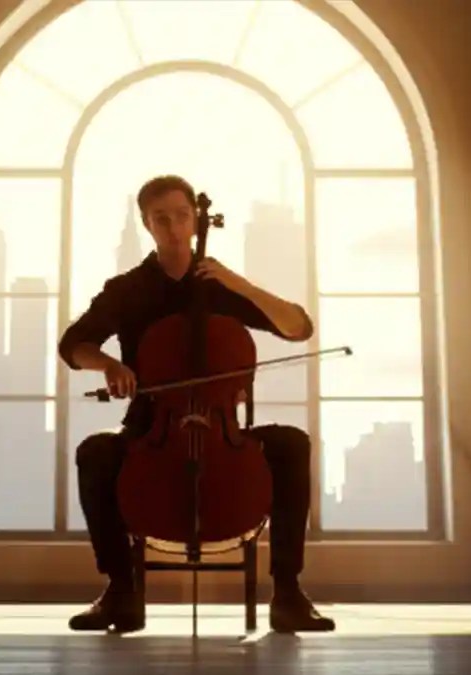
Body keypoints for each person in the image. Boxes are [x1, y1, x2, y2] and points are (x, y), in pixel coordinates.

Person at [57, 174, 335, 634]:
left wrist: (237, 282)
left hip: (223, 432)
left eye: (181, 217)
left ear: (195, 221)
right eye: (160, 218)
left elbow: (297, 328)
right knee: (95, 453)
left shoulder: (220, 285)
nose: (172, 227)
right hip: (149, 431)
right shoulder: (127, 290)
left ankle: (288, 592)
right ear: (146, 224)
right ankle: (120, 591)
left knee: (291, 444)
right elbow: (73, 344)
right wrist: (108, 364)